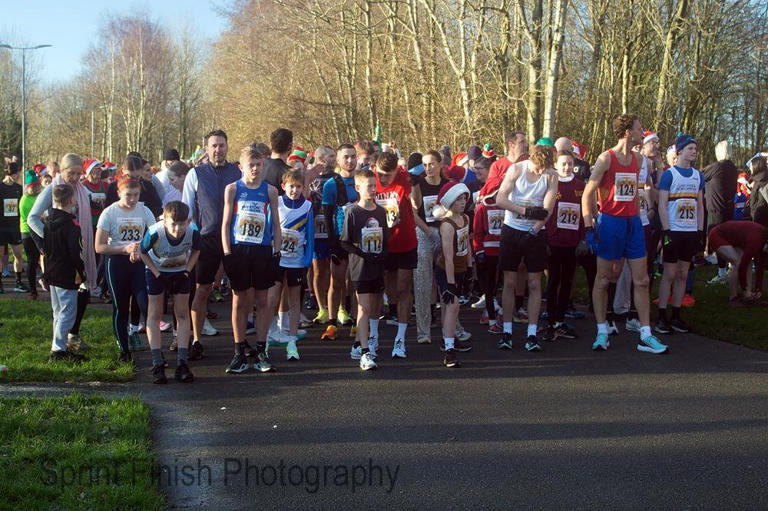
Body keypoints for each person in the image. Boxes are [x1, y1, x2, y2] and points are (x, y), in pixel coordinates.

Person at [581, 114, 668, 354]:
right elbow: (587, 194)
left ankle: (646, 335)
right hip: (611, 224)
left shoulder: (640, 160)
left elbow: (648, 186)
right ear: (628, 132)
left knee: (642, 280)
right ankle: (601, 331)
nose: (643, 133)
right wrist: (589, 227)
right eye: (640, 129)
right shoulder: (605, 158)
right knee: (603, 278)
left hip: (633, 224)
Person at [182, 130, 242, 359]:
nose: (218, 150)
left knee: (240, 291)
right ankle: (196, 339)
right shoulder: (195, 174)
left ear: (227, 147)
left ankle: (240, 342)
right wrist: (189, 241)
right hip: (205, 241)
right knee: (202, 290)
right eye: (214, 146)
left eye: (222, 145)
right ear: (206, 149)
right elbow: (187, 210)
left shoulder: (237, 172)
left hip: (234, 240)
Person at [28, 153, 98, 351]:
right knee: (62, 305)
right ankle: (59, 347)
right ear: (61, 170)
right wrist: (50, 239)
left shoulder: (82, 191)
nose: (75, 178)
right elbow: (32, 217)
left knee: (77, 296)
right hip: (58, 256)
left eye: (78, 173)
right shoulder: (53, 190)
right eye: (71, 173)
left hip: (77, 248)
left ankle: (69, 338)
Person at [221, 145, 281, 374]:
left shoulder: (270, 191)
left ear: (264, 165)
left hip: (263, 250)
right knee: (239, 300)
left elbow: (276, 223)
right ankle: (238, 353)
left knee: (263, 300)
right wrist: (227, 253)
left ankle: (261, 349)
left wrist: (277, 252)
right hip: (239, 249)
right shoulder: (232, 189)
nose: (255, 169)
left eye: (259, 165)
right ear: (241, 167)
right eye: (251, 165)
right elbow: (226, 224)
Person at [495, 144, 558, 351]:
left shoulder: (550, 175)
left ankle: (532, 333)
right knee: (510, 281)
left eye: (544, 168)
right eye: (538, 167)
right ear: (531, 160)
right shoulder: (517, 169)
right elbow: (500, 199)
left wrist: (534, 229)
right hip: (512, 228)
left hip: (535, 233)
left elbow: (547, 209)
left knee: (533, 282)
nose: (540, 171)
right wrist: (525, 211)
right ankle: (506, 330)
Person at [96, 176, 156, 361]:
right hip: (117, 263)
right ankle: (124, 350)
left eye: (136, 195)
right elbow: (99, 247)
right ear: (119, 193)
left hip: (138, 262)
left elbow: (155, 236)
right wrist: (124, 248)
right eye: (128, 195)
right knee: (120, 307)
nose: (132, 199)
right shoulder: (109, 213)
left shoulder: (144, 211)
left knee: (146, 304)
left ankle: (156, 352)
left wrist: (141, 248)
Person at [140, 200, 200, 384]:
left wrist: (187, 271)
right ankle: (157, 362)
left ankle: (182, 362)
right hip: (156, 271)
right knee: (155, 314)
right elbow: (142, 252)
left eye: (181, 224)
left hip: (180, 272)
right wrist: (157, 274)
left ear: (188, 221)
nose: (177, 229)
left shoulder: (193, 231)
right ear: (164, 220)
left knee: (182, 314)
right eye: (173, 224)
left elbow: (197, 250)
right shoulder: (155, 232)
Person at [655, 133, 705, 334]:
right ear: (680, 151)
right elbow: (662, 205)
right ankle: (661, 316)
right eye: (690, 149)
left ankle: (676, 315)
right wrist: (666, 230)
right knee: (669, 273)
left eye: (695, 149)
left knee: (683, 274)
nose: (693, 152)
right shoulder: (669, 174)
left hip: (690, 231)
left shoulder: (698, 175)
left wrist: (700, 231)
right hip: (673, 230)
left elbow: (700, 206)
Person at [343, 168, 390, 370]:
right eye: (368, 186)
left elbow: (385, 239)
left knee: (374, 307)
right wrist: (363, 253)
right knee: (363, 307)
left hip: (377, 266)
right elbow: (345, 242)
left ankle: (361, 343)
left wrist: (382, 254)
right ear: (358, 188)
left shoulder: (381, 211)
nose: (372, 189)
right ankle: (364, 352)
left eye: (374, 185)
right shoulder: (353, 212)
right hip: (360, 267)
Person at [266, 169, 314, 360]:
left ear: (303, 187)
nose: (294, 190)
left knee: (295, 300)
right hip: (277, 258)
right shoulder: (276, 202)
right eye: (291, 186)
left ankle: (292, 339)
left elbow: (309, 235)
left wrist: (308, 259)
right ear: (283, 186)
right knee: (272, 298)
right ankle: (268, 334)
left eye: (298, 187)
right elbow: (269, 229)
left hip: (297, 260)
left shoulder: (308, 206)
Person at [375, 151, 418, 358]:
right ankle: (373, 334)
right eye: (380, 174)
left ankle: (400, 338)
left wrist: (415, 185)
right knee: (380, 289)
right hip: (380, 243)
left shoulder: (405, 179)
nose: (382, 179)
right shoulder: (371, 180)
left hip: (405, 241)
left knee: (403, 289)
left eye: (387, 175)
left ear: (396, 171)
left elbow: (417, 204)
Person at [541, 150, 584, 341]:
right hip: (553, 241)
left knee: (567, 282)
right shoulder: (550, 183)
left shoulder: (580, 185)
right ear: (556, 165)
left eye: (569, 163)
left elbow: (584, 214)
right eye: (563, 163)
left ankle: (560, 321)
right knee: (552, 281)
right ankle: (550, 321)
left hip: (571, 242)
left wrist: (583, 238)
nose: (566, 167)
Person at [44, 184, 88, 363]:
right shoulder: (71, 225)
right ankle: (58, 350)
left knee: (58, 311)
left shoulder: (48, 221)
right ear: (71, 200)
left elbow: (45, 249)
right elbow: (75, 253)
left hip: (52, 271)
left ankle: (58, 346)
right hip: (66, 273)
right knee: (67, 312)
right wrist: (82, 272)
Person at [320, 144, 359, 340]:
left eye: (353, 157)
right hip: (339, 240)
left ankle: (354, 320)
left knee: (354, 282)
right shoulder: (331, 184)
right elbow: (327, 217)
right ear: (338, 159)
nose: (350, 161)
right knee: (336, 281)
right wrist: (332, 244)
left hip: (359, 240)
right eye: (346, 157)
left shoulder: (363, 180)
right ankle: (332, 323)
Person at [433, 181, 473, 367]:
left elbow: (467, 245)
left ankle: (446, 339)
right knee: (452, 305)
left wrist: (470, 269)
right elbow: (448, 257)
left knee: (452, 307)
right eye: (458, 199)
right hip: (446, 270)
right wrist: (450, 284)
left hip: (461, 269)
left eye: (464, 198)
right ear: (450, 202)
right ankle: (449, 350)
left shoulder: (465, 218)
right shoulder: (447, 225)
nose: (463, 202)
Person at [411, 149, 448, 345]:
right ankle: (423, 332)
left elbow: (454, 211)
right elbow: (413, 212)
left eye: (432, 164)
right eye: (424, 165)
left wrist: (444, 231)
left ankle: (453, 327)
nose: (428, 168)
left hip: (445, 234)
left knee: (448, 282)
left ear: (440, 164)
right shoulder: (419, 184)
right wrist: (428, 231)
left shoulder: (448, 185)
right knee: (422, 284)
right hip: (424, 234)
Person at [307, 145, 337, 324]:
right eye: (331, 157)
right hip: (317, 229)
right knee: (318, 270)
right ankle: (321, 307)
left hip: (333, 227)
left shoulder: (336, 177)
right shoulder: (311, 179)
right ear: (321, 159)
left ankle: (339, 306)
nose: (334, 160)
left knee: (336, 271)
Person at [703, 141, 739, 284]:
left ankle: (723, 272)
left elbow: (700, 175)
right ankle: (729, 267)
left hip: (716, 209)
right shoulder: (733, 168)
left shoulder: (717, 167)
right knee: (727, 239)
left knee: (717, 241)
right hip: (728, 208)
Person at [707, 220, 768, 304]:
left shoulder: (763, 239)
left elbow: (761, 265)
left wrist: (758, 289)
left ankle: (748, 295)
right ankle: (733, 297)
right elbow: (742, 266)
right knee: (738, 263)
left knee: (749, 262)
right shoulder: (756, 240)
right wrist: (744, 286)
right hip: (717, 235)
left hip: (732, 238)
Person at [472, 186, 502, 332]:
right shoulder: (482, 209)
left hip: (503, 252)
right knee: (489, 288)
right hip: (487, 253)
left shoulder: (508, 207)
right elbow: (477, 232)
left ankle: (499, 316)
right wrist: (479, 251)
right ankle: (491, 320)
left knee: (500, 286)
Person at [0, 161, 26, 293]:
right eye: (14, 174)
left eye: (18, 174)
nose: (16, 176)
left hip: (15, 227)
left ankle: (19, 282)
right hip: (1, 227)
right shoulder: (0, 187)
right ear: (8, 173)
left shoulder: (19, 188)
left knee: (18, 255)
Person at [19, 170, 42, 299]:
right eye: (33, 187)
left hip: (39, 230)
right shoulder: (24, 201)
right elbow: (31, 219)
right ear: (27, 188)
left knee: (44, 257)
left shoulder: (39, 196)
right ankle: (33, 291)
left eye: (37, 186)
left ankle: (46, 280)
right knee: (32, 261)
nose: (36, 189)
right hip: (28, 232)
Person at [263, 128, 293, 194]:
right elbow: (296, 202)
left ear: (270, 145)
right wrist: (308, 179)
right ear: (290, 146)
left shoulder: (260, 165)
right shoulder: (289, 173)